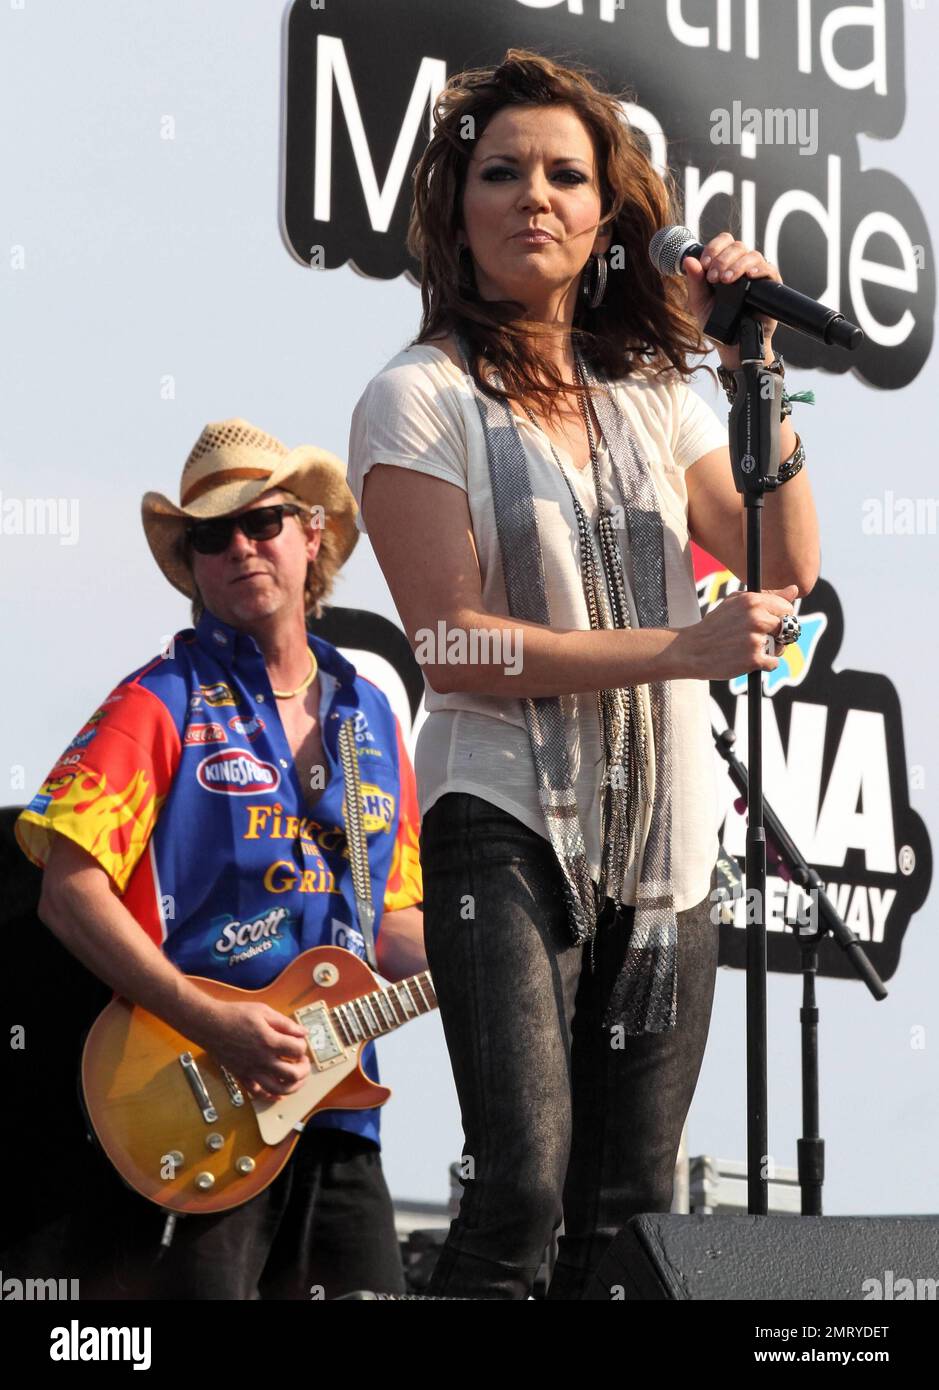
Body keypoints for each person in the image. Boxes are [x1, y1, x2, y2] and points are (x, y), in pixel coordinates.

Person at [345, 49, 820, 1299]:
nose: (534, 198)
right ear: (458, 209)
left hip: (665, 841)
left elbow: (785, 553)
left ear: (608, 217)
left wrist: (755, 360)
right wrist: (684, 650)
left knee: (631, 1218)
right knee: (523, 1192)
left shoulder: (657, 389)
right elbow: (449, 639)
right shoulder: (416, 396)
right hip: (498, 821)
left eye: (566, 175)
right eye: (502, 174)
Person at [16, 417, 426, 1300]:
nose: (240, 547)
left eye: (262, 522)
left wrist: (502, 954)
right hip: (195, 1096)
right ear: (192, 565)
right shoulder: (157, 702)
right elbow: (66, 894)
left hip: (339, 1108)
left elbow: (392, 924)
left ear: (312, 535)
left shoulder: (372, 720)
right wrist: (212, 1023)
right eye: (211, 534)